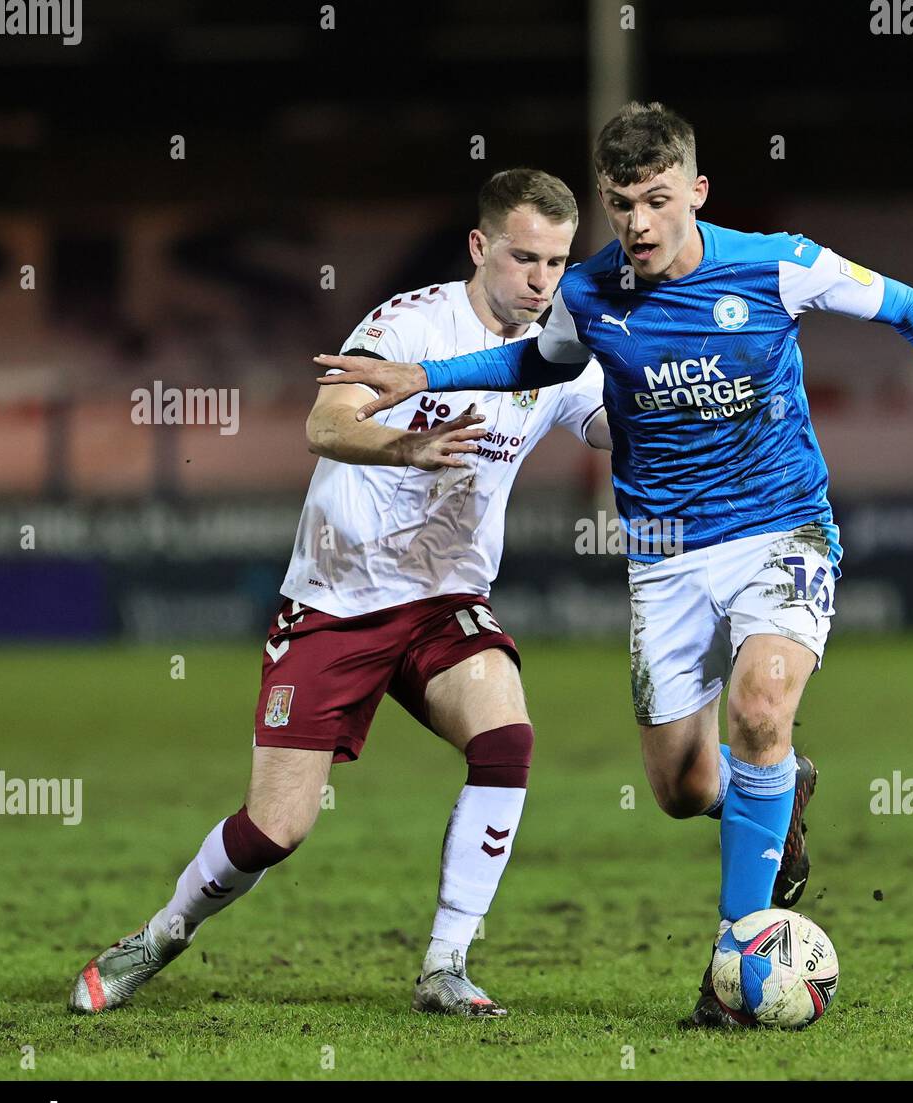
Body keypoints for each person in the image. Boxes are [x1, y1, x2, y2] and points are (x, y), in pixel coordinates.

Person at [315, 102, 913, 1026]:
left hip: (781, 531)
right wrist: (422, 378)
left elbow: (908, 307)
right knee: (680, 788)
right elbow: (537, 367)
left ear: (697, 193)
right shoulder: (590, 293)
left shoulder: (777, 266)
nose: (636, 222)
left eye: (656, 200)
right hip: (667, 558)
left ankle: (735, 964)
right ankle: (780, 789)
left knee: (761, 707)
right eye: (620, 202)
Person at [69, 169, 610, 1018]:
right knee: (275, 829)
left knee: (506, 735)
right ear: (479, 247)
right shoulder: (410, 323)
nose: (542, 281)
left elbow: (611, 426)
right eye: (524, 258)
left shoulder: (560, 351)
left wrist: (681, 390)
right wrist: (405, 449)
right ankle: (162, 933)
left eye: (557, 261)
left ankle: (445, 964)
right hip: (338, 597)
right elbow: (325, 424)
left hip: (444, 596)